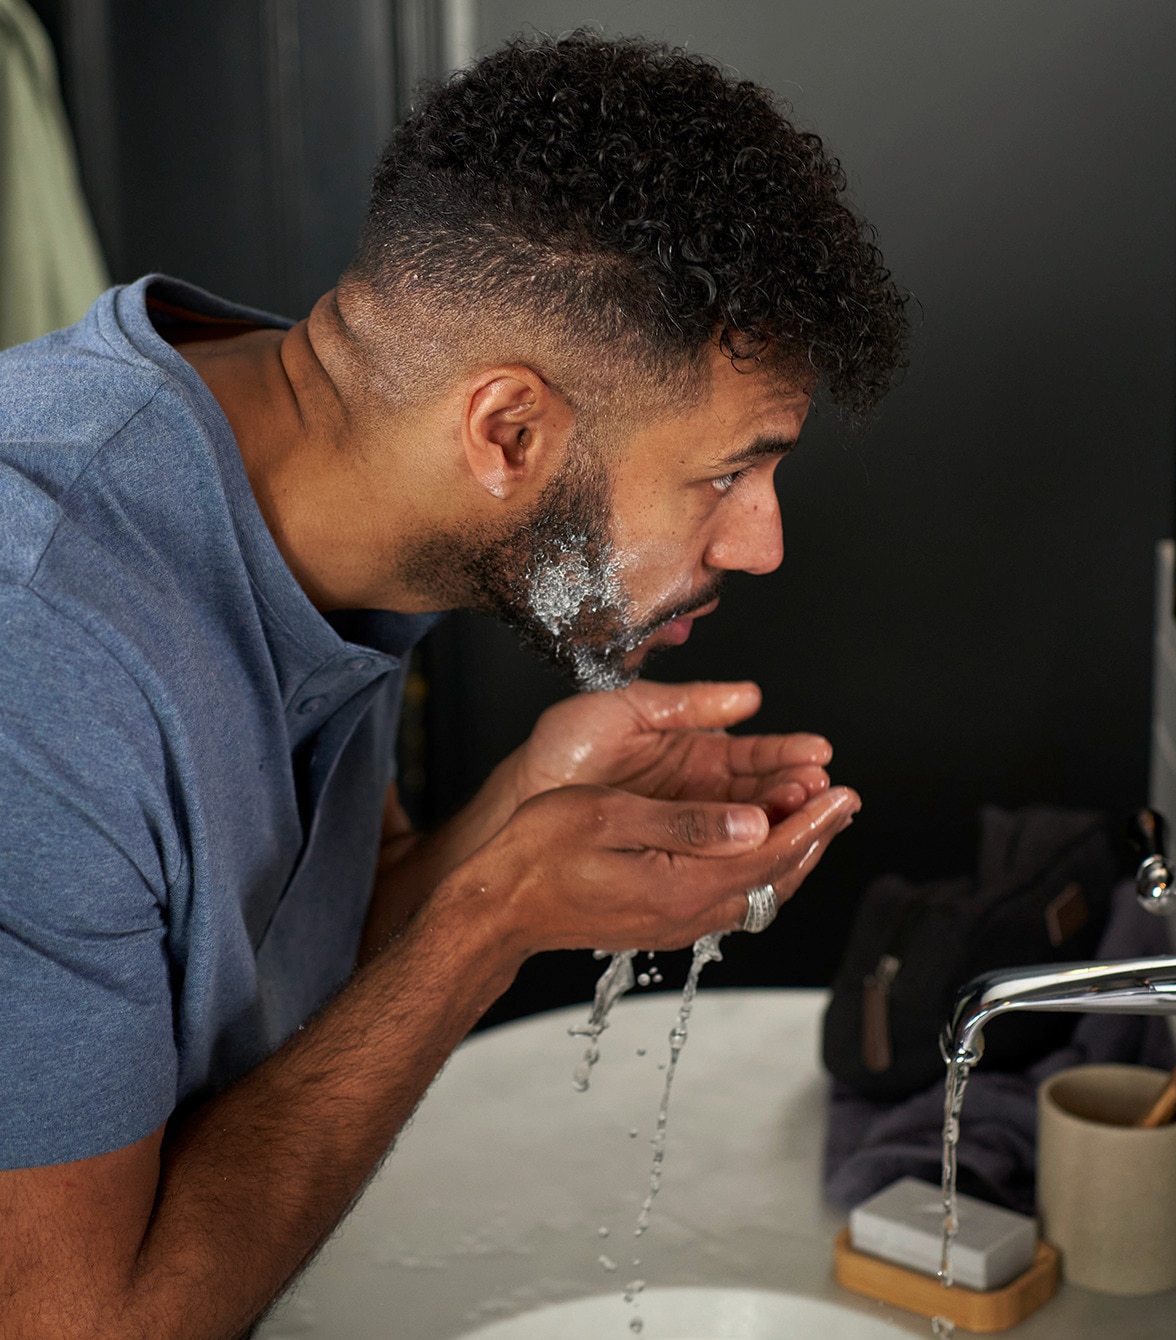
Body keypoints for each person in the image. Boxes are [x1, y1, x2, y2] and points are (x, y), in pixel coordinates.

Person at [0, 31, 905, 1339]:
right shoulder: (41, 650)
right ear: (508, 431)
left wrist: (519, 823)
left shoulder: (335, 485)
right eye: (727, 473)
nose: (762, 542)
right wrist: (496, 914)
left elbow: (295, 968)